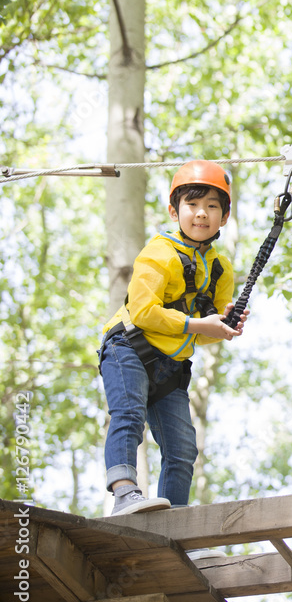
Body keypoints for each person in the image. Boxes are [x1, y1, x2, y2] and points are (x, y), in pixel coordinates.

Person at [99, 160, 248, 520]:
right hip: (128, 347)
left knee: (182, 448)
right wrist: (201, 327)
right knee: (129, 413)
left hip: (171, 365)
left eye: (213, 206)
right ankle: (123, 493)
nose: (202, 214)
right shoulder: (158, 253)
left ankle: (176, 523)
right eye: (192, 205)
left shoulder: (220, 268)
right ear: (174, 210)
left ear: (224, 217)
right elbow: (144, 311)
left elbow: (205, 330)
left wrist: (223, 327)